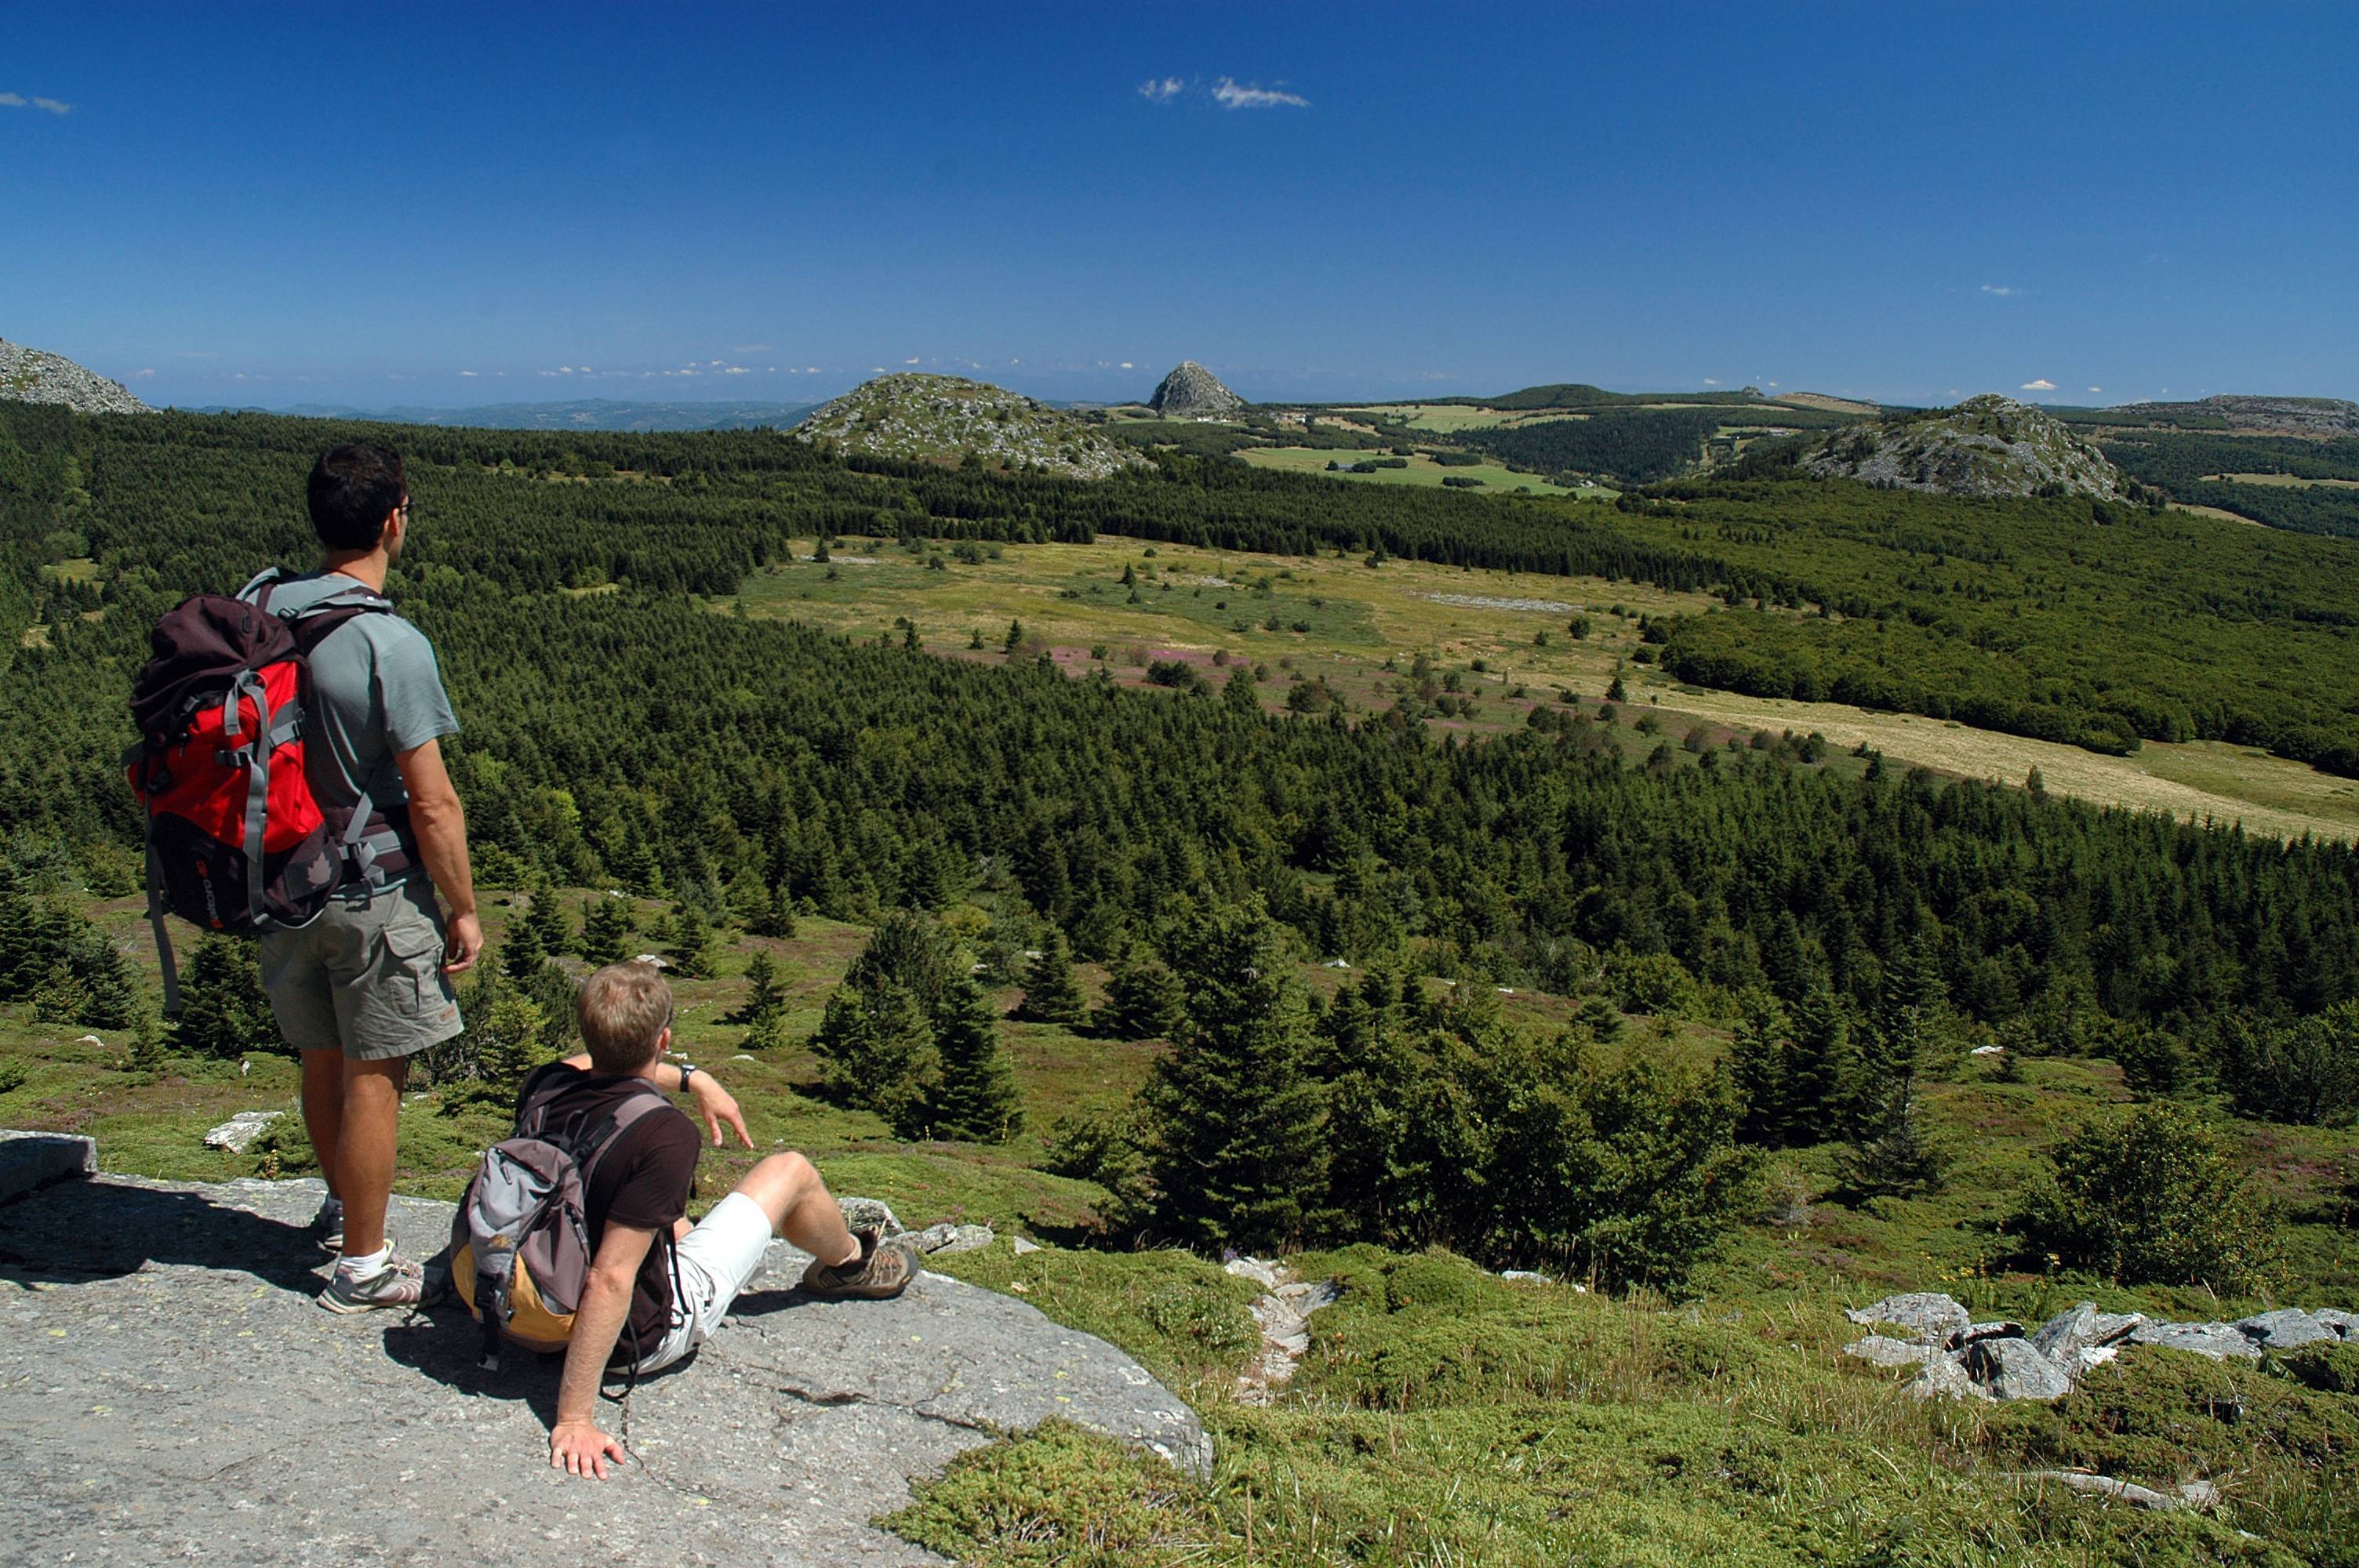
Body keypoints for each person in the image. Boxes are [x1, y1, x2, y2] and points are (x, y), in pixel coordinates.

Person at [253, 442, 483, 1311]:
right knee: (375, 1070)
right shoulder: (389, 639)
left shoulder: (266, 608)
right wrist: (462, 909)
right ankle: (362, 1263)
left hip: (280, 882)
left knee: (320, 1054)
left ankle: (343, 1207)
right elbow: (433, 805)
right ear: (394, 516)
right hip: (369, 892)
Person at [534, 961, 911, 1480]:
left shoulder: (546, 1084)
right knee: (790, 1171)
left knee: (672, 1222)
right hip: (634, 1338)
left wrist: (689, 1079)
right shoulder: (665, 1134)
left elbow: (584, 1061)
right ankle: (852, 1264)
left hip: (534, 1305)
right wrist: (574, 1417)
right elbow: (610, 1277)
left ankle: (818, 1259)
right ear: (664, 1039)